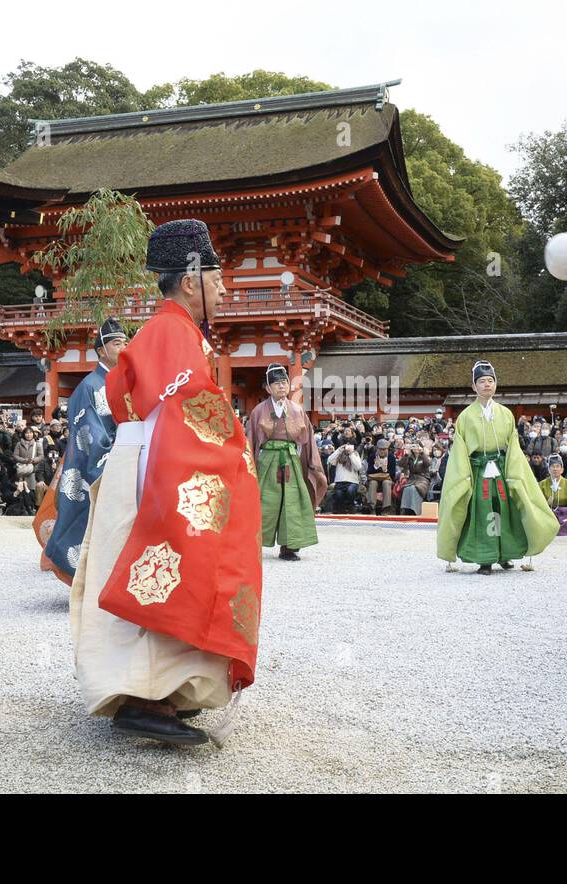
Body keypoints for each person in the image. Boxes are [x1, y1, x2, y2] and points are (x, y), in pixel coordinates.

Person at [70, 219, 261, 746]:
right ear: (190, 280)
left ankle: (163, 691)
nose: (225, 289)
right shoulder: (174, 332)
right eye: (218, 279)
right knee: (161, 566)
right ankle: (145, 698)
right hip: (155, 466)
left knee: (154, 569)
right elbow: (187, 414)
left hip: (147, 458)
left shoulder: (173, 330)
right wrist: (234, 452)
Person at [436, 360, 556, 574]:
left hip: (501, 467)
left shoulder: (506, 414)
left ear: (496, 384)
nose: (487, 385)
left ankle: (505, 554)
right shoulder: (465, 416)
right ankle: (485, 557)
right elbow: (460, 451)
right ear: (474, 386)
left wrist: (515, 474)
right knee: (483, 510)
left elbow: (513, 448)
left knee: (505, 508)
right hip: (478, 468)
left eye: (490, 381)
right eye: (481, 381)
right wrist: (464, 477)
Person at [36, 319, 126, 584]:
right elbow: (90, 435)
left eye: (126, 342)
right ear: (101, 350)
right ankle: (93, 582)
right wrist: (115, 460)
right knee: (87, 523)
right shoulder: (90, 386)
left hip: (120, 459)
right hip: (98, 465)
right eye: (117, 343)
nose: (124, 348)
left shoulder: (118, 382)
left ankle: (106, 581)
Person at [246, 363, 326, 560]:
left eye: (284, 382)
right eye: (276, 384)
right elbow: (250, 441)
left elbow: (307, 441)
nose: (281, 387)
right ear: (267, 388)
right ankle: (252, 544)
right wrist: (248, 466)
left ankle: (289, 547)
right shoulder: (258, 411)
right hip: (267, 461)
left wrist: (313, 465)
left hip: (291, 461)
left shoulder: (297, 410)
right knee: (264, 501)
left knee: (292, 502)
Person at [13, 426, 45, 515]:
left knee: (31, 489)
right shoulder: (19, 444)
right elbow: (15, 455)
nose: (28, 435)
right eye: (26, 433)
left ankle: (32, 506)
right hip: (22, 469)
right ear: (24, 434)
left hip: (32, 470)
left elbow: (41, 456)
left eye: (30, 433)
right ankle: (24, 507)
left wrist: (33, 460)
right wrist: (24, 460)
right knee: (21, 489)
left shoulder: (37, 444)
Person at [326, 442, 364, 513]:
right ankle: (341, 508)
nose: (347, 448)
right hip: (340, 481)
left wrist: (351, 454)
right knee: (338, 494)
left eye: (349, 446)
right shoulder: (338, 455)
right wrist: (338, 450)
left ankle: (351, 506)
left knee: (350, 490)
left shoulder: (355, 454)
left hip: (352, 482)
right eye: (346, 446)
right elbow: (330, 461)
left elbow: (358, 467)